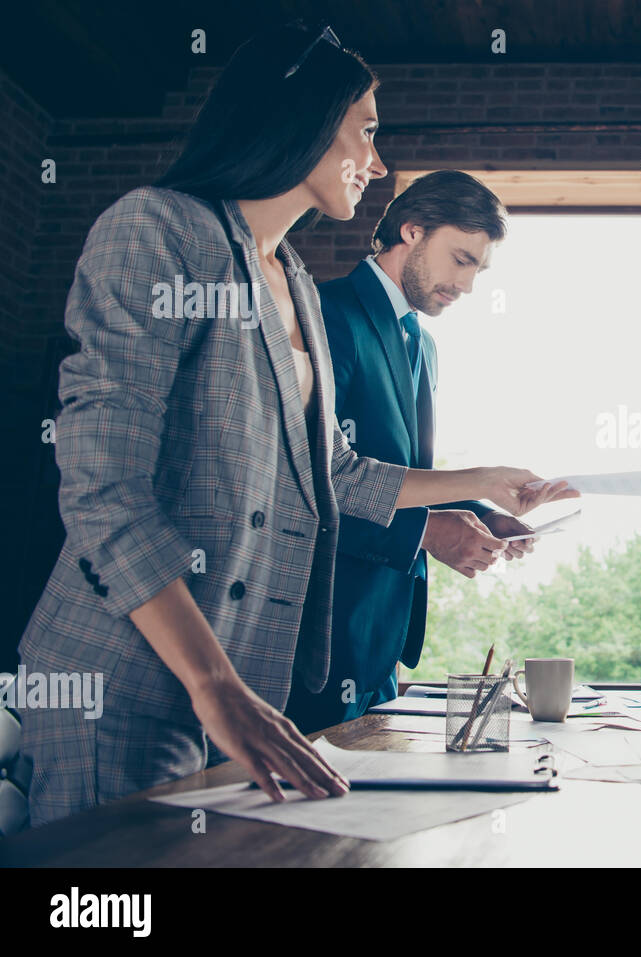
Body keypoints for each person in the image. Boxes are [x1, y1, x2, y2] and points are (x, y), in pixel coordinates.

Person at [17, 23, 574, 828]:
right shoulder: (155, 230)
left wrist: (487, 481)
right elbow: (103, 491)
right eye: (369, 131)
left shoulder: (300, 286)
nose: (378, 163)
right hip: (125, 683)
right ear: (302, 116)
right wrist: (214, 688)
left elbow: (339, 474)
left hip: (240, 687)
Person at [285, 170, 534, 732]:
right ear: (411, 230)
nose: (467, 285)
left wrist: (478, 517)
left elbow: (398, 479)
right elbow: (302, 487)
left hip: (383, 642)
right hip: (314, 639)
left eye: (479, 269)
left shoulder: (423, 342)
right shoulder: (325, 313)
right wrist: (425, 532)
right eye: (461, 260)